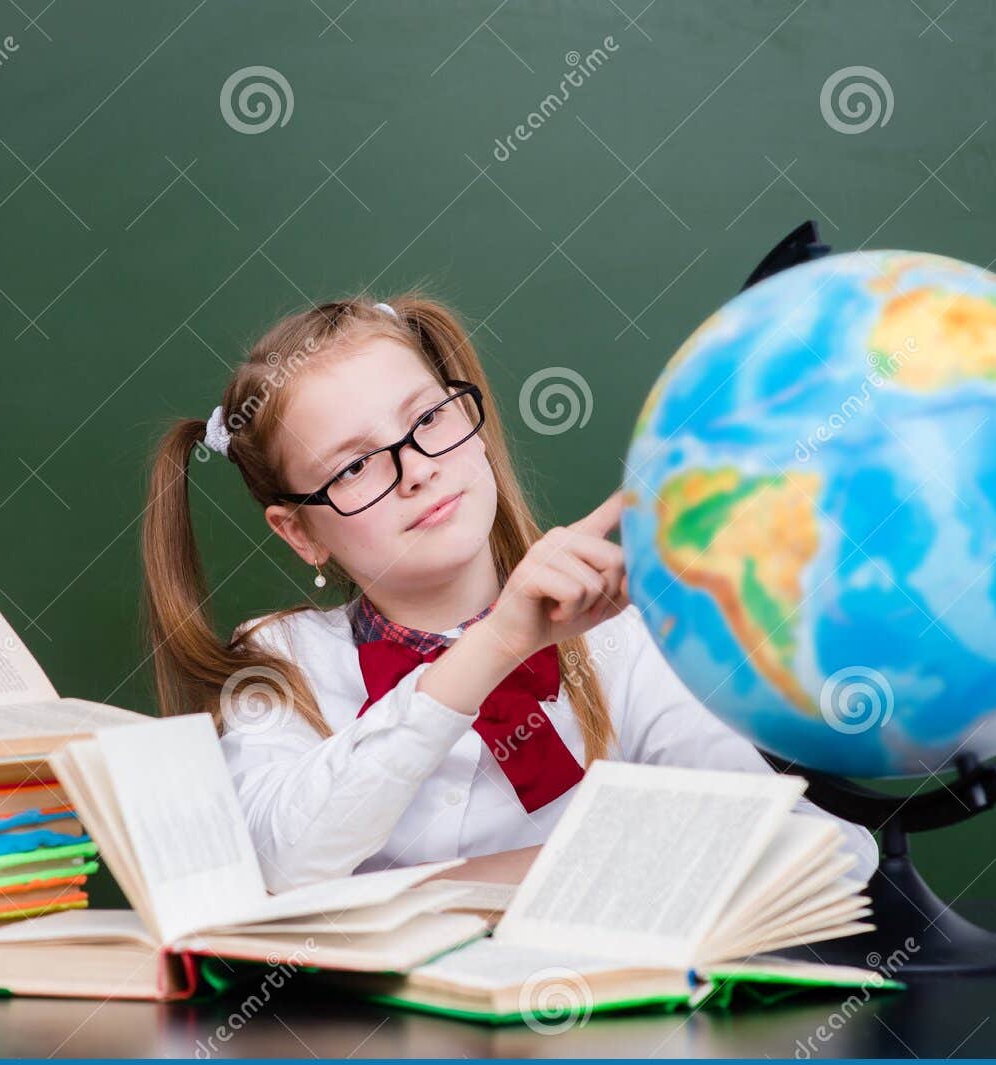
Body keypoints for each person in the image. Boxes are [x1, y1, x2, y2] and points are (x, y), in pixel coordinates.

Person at [140, 292, 877, 893]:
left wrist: (465, 885)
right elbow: (278, 863)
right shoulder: (282, 661)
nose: (417, 469)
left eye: (428, 419)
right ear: (301, 533)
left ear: (470, 420)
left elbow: (822, 853)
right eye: (354, 466)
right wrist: (496, 644)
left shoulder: (618, 635)